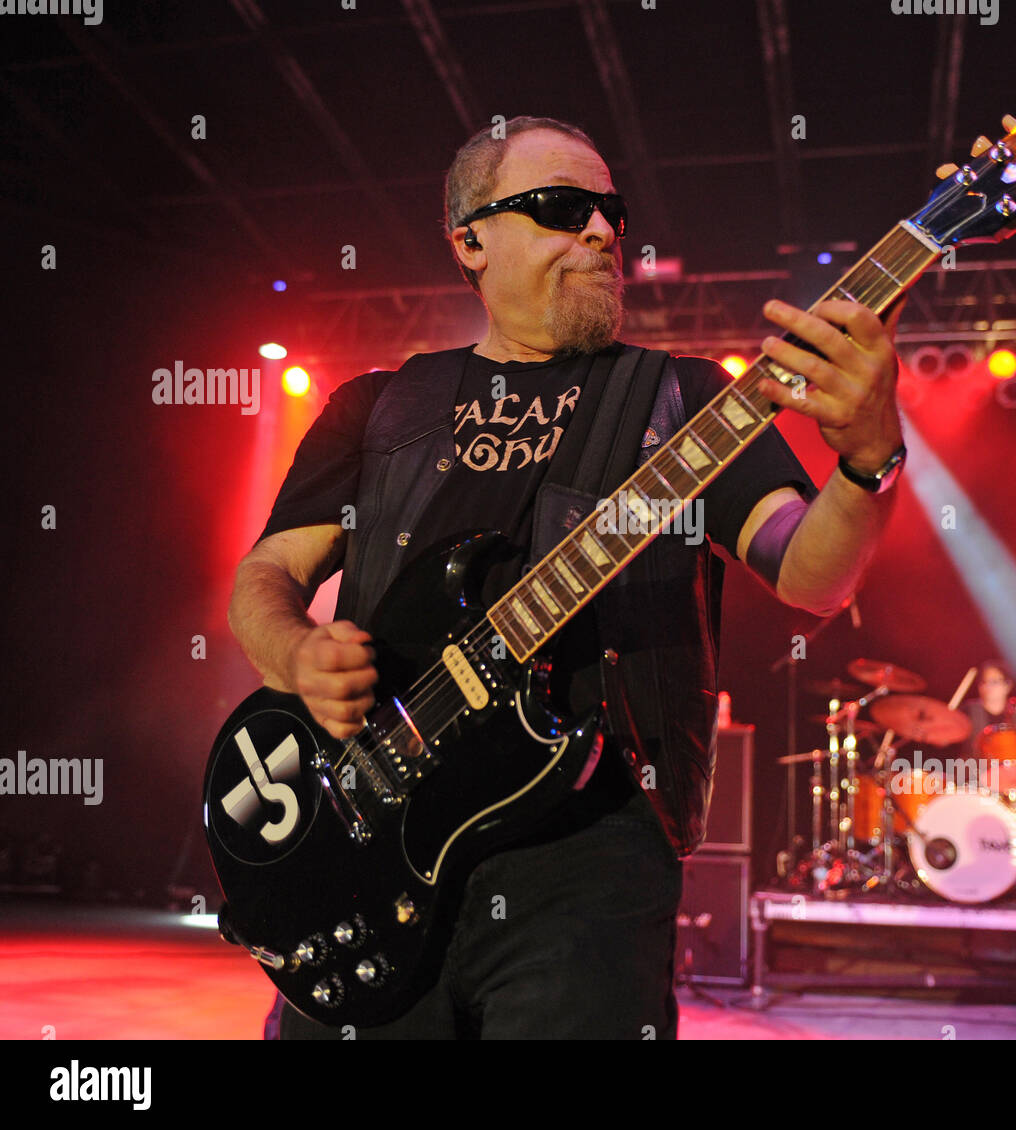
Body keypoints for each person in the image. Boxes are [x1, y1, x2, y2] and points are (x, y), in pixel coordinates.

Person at [229, 116, 906, 1039]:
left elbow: (808, 575)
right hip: (369, 835)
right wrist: (299, 653)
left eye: (610, 215)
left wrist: (869, 460)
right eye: (560, 209)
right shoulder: (381, 405)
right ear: (469, 240)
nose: (600, 233)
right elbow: (266, 575)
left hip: (591, 855)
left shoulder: (686, 399)